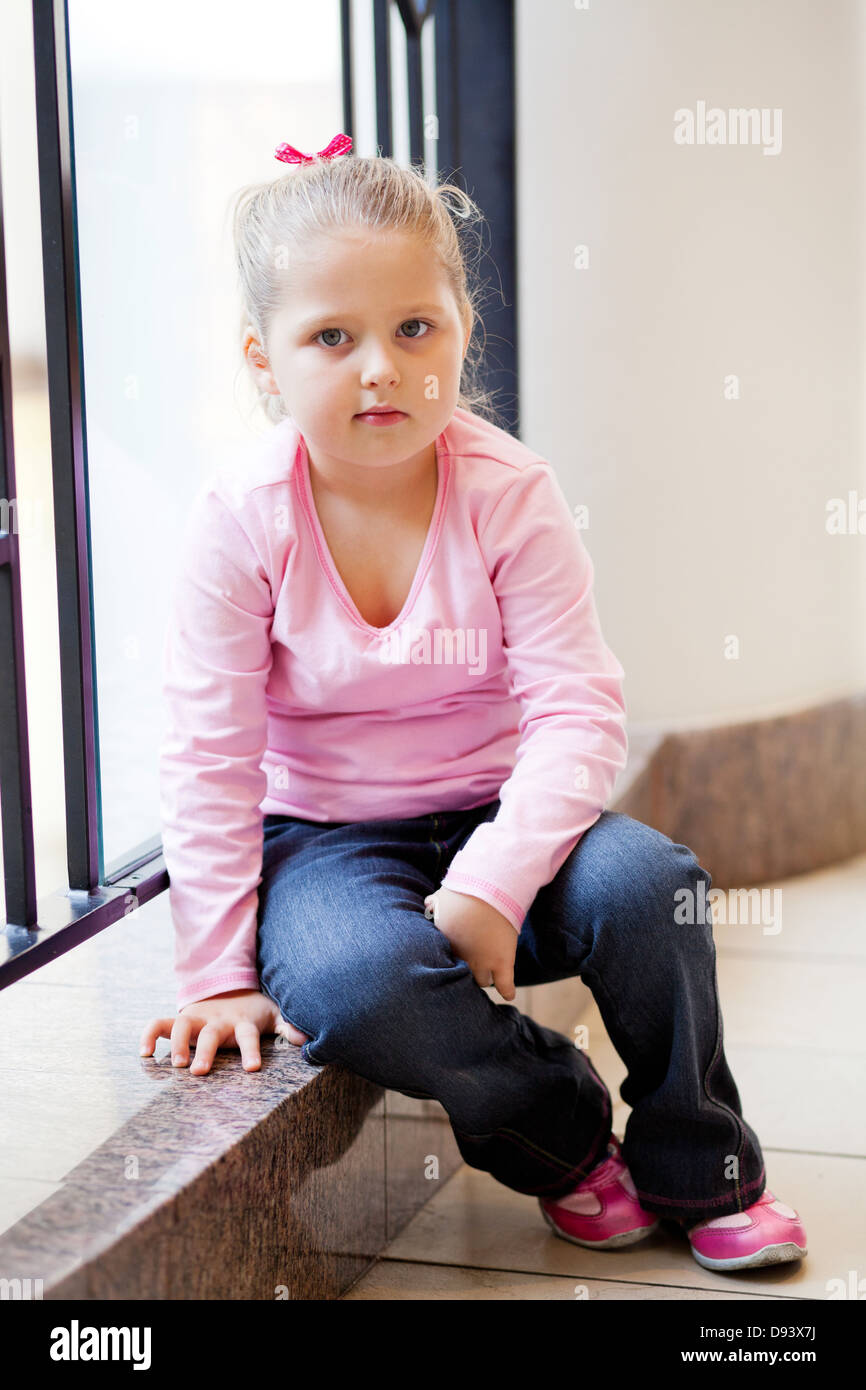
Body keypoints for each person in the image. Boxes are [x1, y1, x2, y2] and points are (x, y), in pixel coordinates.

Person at [139, 134, 807, 1275]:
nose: (379, 370)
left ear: (461, 330)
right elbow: (209, 756)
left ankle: (704, 1161)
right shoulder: (240, 520)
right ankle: (566, 1142)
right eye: (329, 338)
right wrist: (216, 972)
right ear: (264, 359)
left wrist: (494, 882)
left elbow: (578, 711)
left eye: (414, 329)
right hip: (329, 844)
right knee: (358, 982)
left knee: (657, 889)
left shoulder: (508, 492)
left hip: (510, 812)